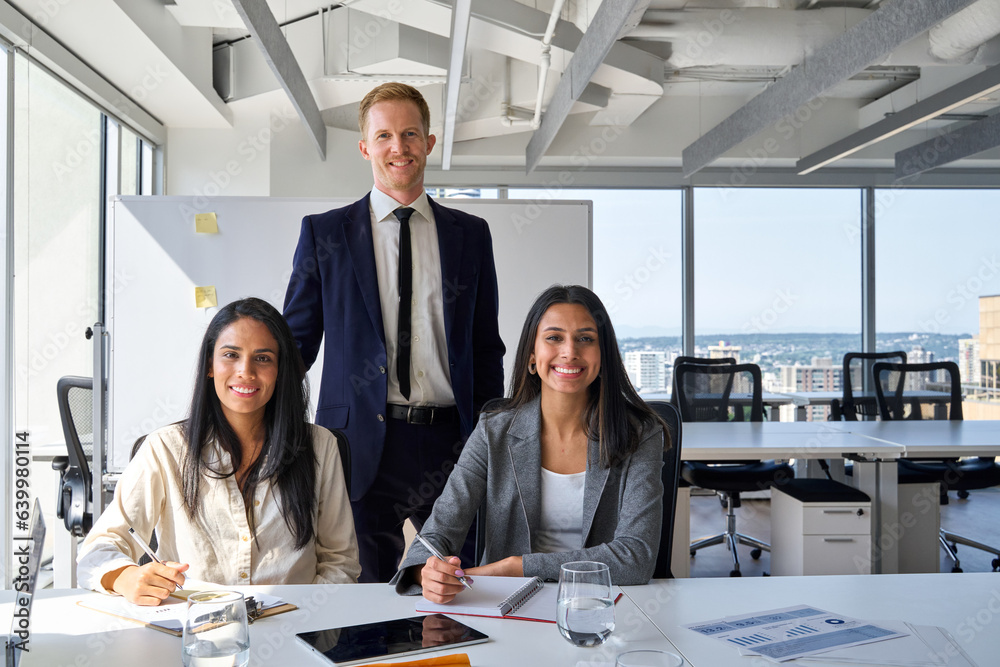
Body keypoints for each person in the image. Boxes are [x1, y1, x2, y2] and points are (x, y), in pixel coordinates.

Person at [282, 82, 505, 583]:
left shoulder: (471, 235)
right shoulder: (326, 233)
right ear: (365, 147)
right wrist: (265, 425)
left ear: (429, 142)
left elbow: (486, 349)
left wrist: (489, 437)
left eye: (410, 134)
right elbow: (295, 346)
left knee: (464, 585)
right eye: (384, 135)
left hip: (454, 443)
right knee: (364, 593)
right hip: (358, 444)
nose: (398, 147)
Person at [392, 285, 669, 602]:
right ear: (532, 357)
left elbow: (635, 558)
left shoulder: (640, 434)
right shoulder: (494, 431)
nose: (570, 351)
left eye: (585, 339)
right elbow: (438, 531)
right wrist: (426, 572)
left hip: (602, 606)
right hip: (508, 606)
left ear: (603, 356)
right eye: (554, 338)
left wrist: (517, 567)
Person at [77, 298, 360, 605]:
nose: (245, 372)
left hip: (295, 622)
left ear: (280, 370)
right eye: (231, 355)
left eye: (263, 358)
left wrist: (305, 617)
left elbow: (340, 562)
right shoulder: (166, 448)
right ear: (210, 366)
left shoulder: (320, 446)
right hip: (194, 625)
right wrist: (126, 577)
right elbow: (98, 550)